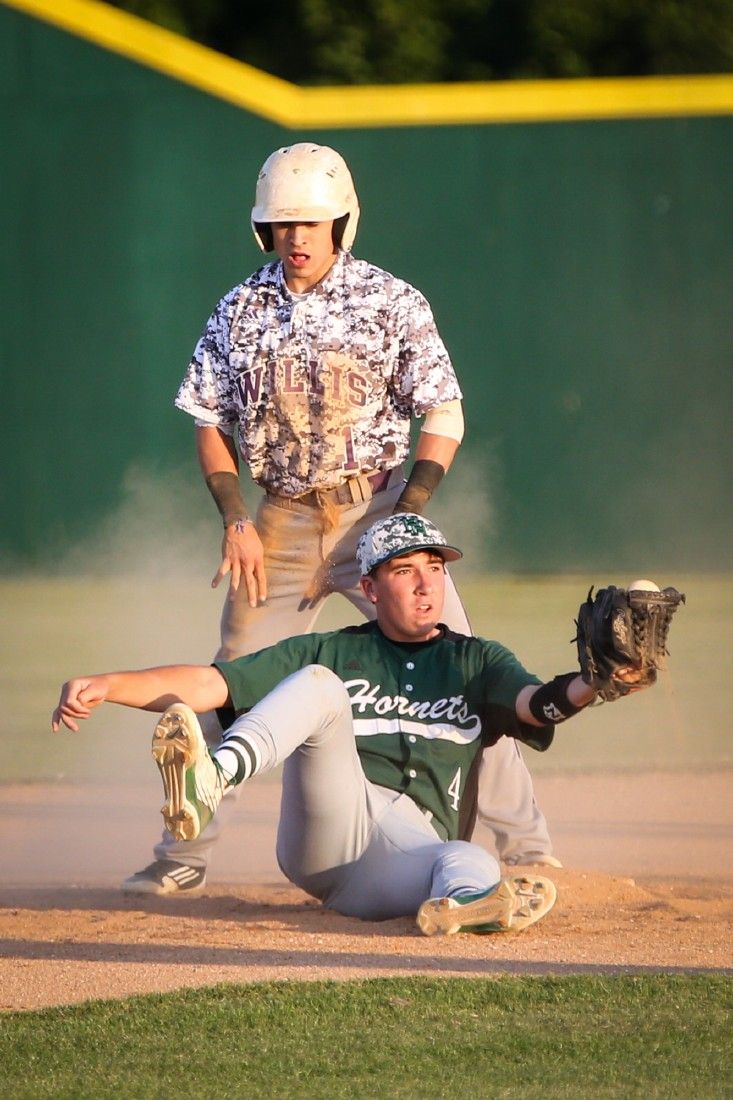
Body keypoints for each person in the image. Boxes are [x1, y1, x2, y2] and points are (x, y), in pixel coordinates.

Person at [122, 141, 559, 897]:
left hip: (376, 507)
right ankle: (182, 852)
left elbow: (443, 413)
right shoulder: (238, 309)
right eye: (281, 223)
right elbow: (207, 421)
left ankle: (526, 850)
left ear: (341, 223)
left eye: (310, 222)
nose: (295, 237)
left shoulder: (392, 300)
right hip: (282, 520)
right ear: (263, 230)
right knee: (231, 682)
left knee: (457, 678)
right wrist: (234, 517)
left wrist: (407, 519)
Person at [54, 514, 653, 934]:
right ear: (368, 587)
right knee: (317, 687)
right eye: (404, 571)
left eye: (434, 568)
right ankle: (213, 775)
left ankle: (467, 910)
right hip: (328, 835)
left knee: (472, 866)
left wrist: (594, 684)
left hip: (404, 863)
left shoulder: (476, 659)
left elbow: (534, 705)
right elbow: (215, 685)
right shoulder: (335, 652)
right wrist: (109, 685)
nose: (426, 583)